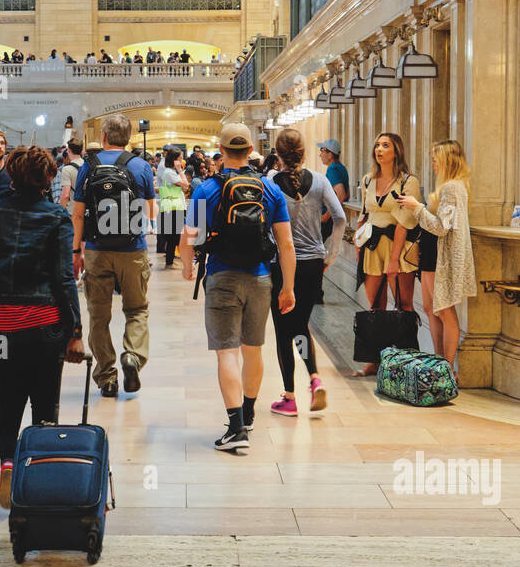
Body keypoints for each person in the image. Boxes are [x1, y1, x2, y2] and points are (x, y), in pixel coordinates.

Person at [0, 147, 85, 507]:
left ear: (11, 175)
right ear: (48, 178)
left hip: (1, 325)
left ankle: (7, 462)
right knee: (46, 402)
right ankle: (39, 475)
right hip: (45, 324)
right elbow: (64, 279)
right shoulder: (56, 217)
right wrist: (75, 331)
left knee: (9, 397)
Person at [180, 123, 296, 451]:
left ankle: (234, 429)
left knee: (226, 351)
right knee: (253, 349)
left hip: (222, 276)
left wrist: (188, 266)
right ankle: (248, 414)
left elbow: (190, 236)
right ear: (250, 150)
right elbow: (286, 244)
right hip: (260, 278)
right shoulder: (270, 189)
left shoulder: (206, 189)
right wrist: (288, 287)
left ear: (222, 149)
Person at [70, 114, 155, 398]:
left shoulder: (88, 166)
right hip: (132, 249)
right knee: (136, 309)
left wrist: (75, 251)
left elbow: (78, 214)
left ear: (103, 137)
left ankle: (107, 377)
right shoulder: (141, 166)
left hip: (96, 250)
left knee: (98, 316)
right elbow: (151, 213)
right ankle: (132, 356)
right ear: (129, 138)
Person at [266, 129, 345, 417]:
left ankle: (289, 396)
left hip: (281, 263)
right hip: (314, 263)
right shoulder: (321, 180)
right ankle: (314, 380)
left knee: (283, 330)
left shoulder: (270, 182)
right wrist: (332, 254)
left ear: (277, 153)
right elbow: (340, 216)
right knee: (301, 324)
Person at [398, 140, 477, 369]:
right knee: (431, 308)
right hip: (431, 253)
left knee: (443, 309)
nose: (432, 163)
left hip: (439, 255)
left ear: (446, 161)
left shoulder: (452, 187)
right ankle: (439, 361)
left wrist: (417, 207)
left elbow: (442, 226)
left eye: (435, 159)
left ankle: (448, 367)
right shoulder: (449, 187)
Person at [352, 132, 422, 377]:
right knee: (375, 306)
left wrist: (394, 260)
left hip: (398, 248)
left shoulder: (408, 182)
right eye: (377, 145)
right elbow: (364, 213)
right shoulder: (368, 180)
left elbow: (404, 222)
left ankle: (407, 360)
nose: (379, 149)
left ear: (396, 151)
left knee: (403, 305)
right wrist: (358, 238)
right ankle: (375, 360)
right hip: (372, 247)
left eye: (385, 145)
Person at [155, 146, 189, 269]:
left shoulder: (169, 172)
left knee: (174, 236)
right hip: (174, 207)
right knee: (174, 236)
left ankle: (170, 261)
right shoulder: (170, 173)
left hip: (172, 207)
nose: (181, 161)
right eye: (180, 158)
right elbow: (185, 185)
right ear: (174, 159)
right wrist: (180, 171)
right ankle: (170, 262)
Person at [316, 139, 350, 241]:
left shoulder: (332, 169)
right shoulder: (341, 168)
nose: (320, 155)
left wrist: (326, 216)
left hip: (327, 218)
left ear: (330, 154)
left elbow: (342, 195)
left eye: (322, 151)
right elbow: (347, 194)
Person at [58, 139, 84, 211]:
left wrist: (61, 212)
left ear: (68, 150)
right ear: (81, 151)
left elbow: (65, 195)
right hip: (87, 210)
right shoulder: (88, 165)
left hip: (73, 210)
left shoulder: (67, 169)